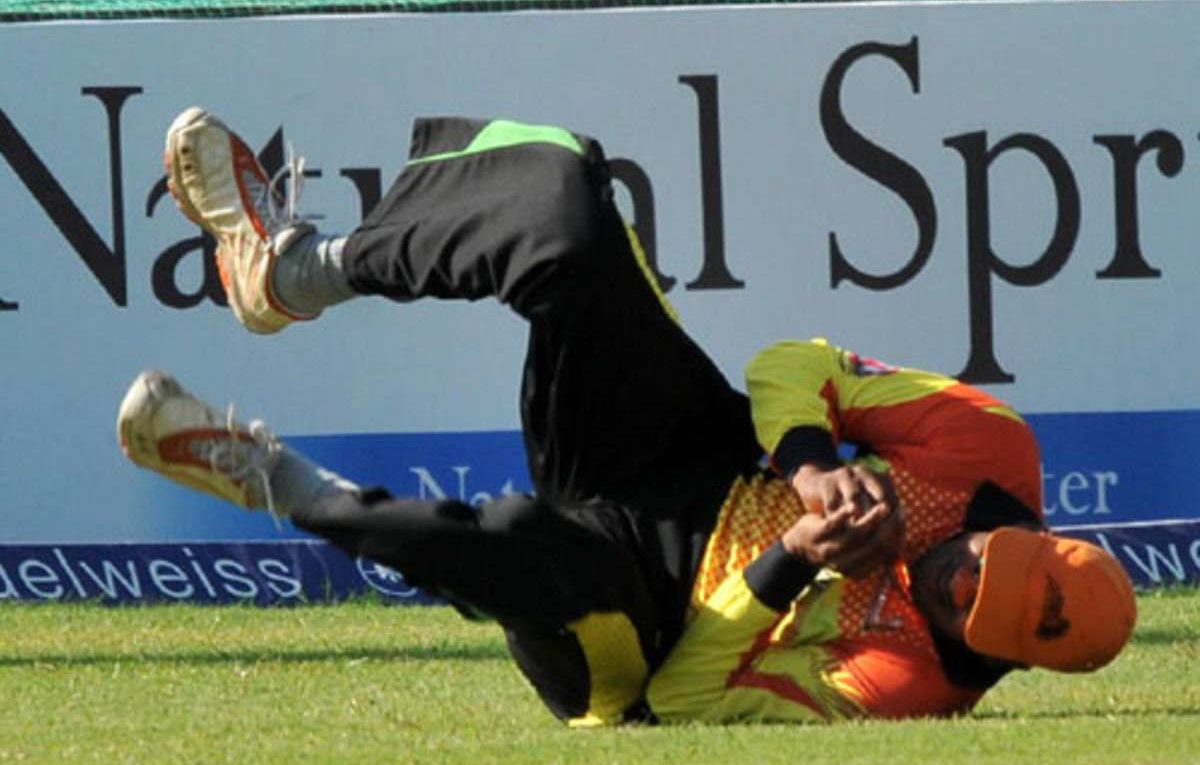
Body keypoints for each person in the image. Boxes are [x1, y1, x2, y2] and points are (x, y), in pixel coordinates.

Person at [119, 107, 1137, 727]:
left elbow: (686, 698)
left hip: (641, 623)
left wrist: (791, 553)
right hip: (682, 451)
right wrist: (811, 462)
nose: (960, 578)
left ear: (1003, 659)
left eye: (975, 612)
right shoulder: (994, 448)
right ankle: (295, 270)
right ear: (1041, 533)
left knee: (518, 533)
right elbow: (796, 364)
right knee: (565, 199)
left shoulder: (911, 682)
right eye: (990, 560)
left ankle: (272, 480)